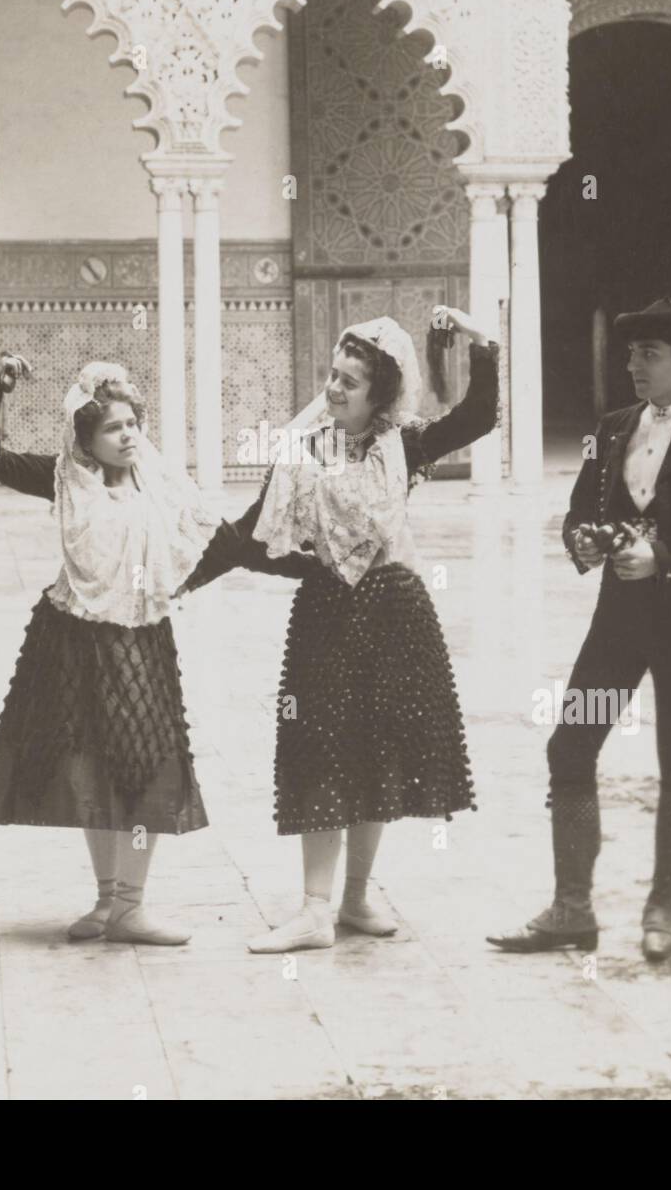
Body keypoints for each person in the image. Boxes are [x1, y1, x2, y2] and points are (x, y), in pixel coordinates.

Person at [181, 307, 498, 953]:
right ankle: (313, 910)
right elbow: (251, 539)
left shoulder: (402, 443)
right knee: (319, 756)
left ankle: (353, 897)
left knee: (376, 759)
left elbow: (478, 417)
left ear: (378, 396)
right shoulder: (302, 452)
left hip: (396, 614)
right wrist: (182, 578)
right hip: (328, 617)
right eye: (331, 375)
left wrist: (478, 339)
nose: (331, 389)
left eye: (348, 382)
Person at [0, 353, 291, 945]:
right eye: (113, 428)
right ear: (86, 440)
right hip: (72, 639)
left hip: (140, 643)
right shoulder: (65, 478)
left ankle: (132, 905)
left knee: (144, 766)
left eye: (132, 424)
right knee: (90, 765)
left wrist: (297, 555)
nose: (128, 436)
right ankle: (106, 901)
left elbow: (225, 543)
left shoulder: (162, 487)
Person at [488, 297, 671, 961]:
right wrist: (581, 540)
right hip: (615, 622)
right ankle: (572, 909)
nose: (633, 365)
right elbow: (584, 504)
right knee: (569, 748)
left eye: (648, 355)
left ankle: (661, 909)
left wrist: (663, 559)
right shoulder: (611, 427)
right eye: (630, 353)